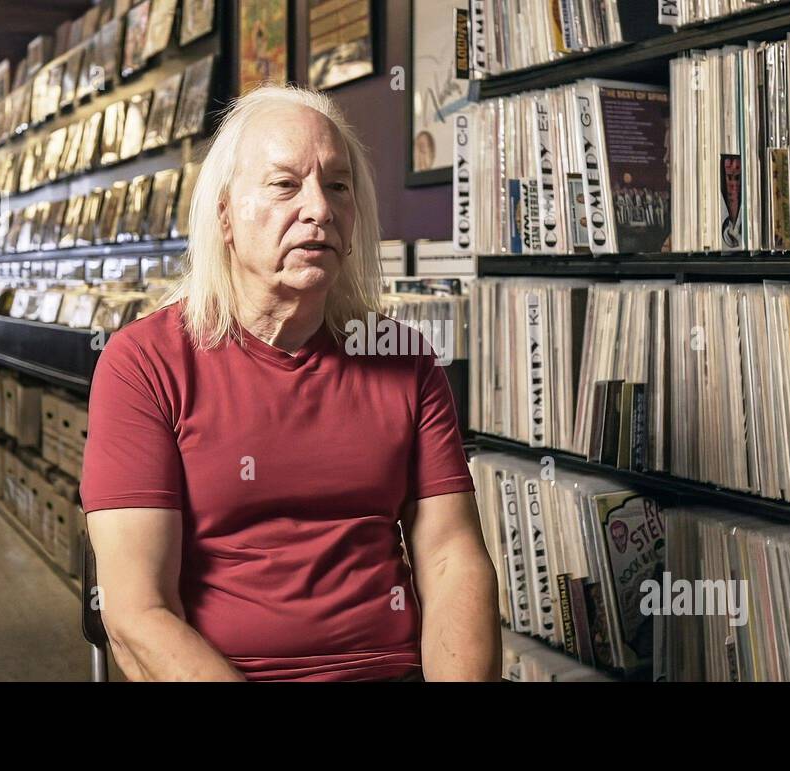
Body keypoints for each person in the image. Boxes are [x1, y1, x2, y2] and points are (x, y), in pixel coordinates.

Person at [80, 84, 501, 682]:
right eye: (284, 184)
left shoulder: (404, 358)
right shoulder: (143, 362)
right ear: (224, 214)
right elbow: (136, 614)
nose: (319, 209)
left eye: (337, 185)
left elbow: (451, 557)